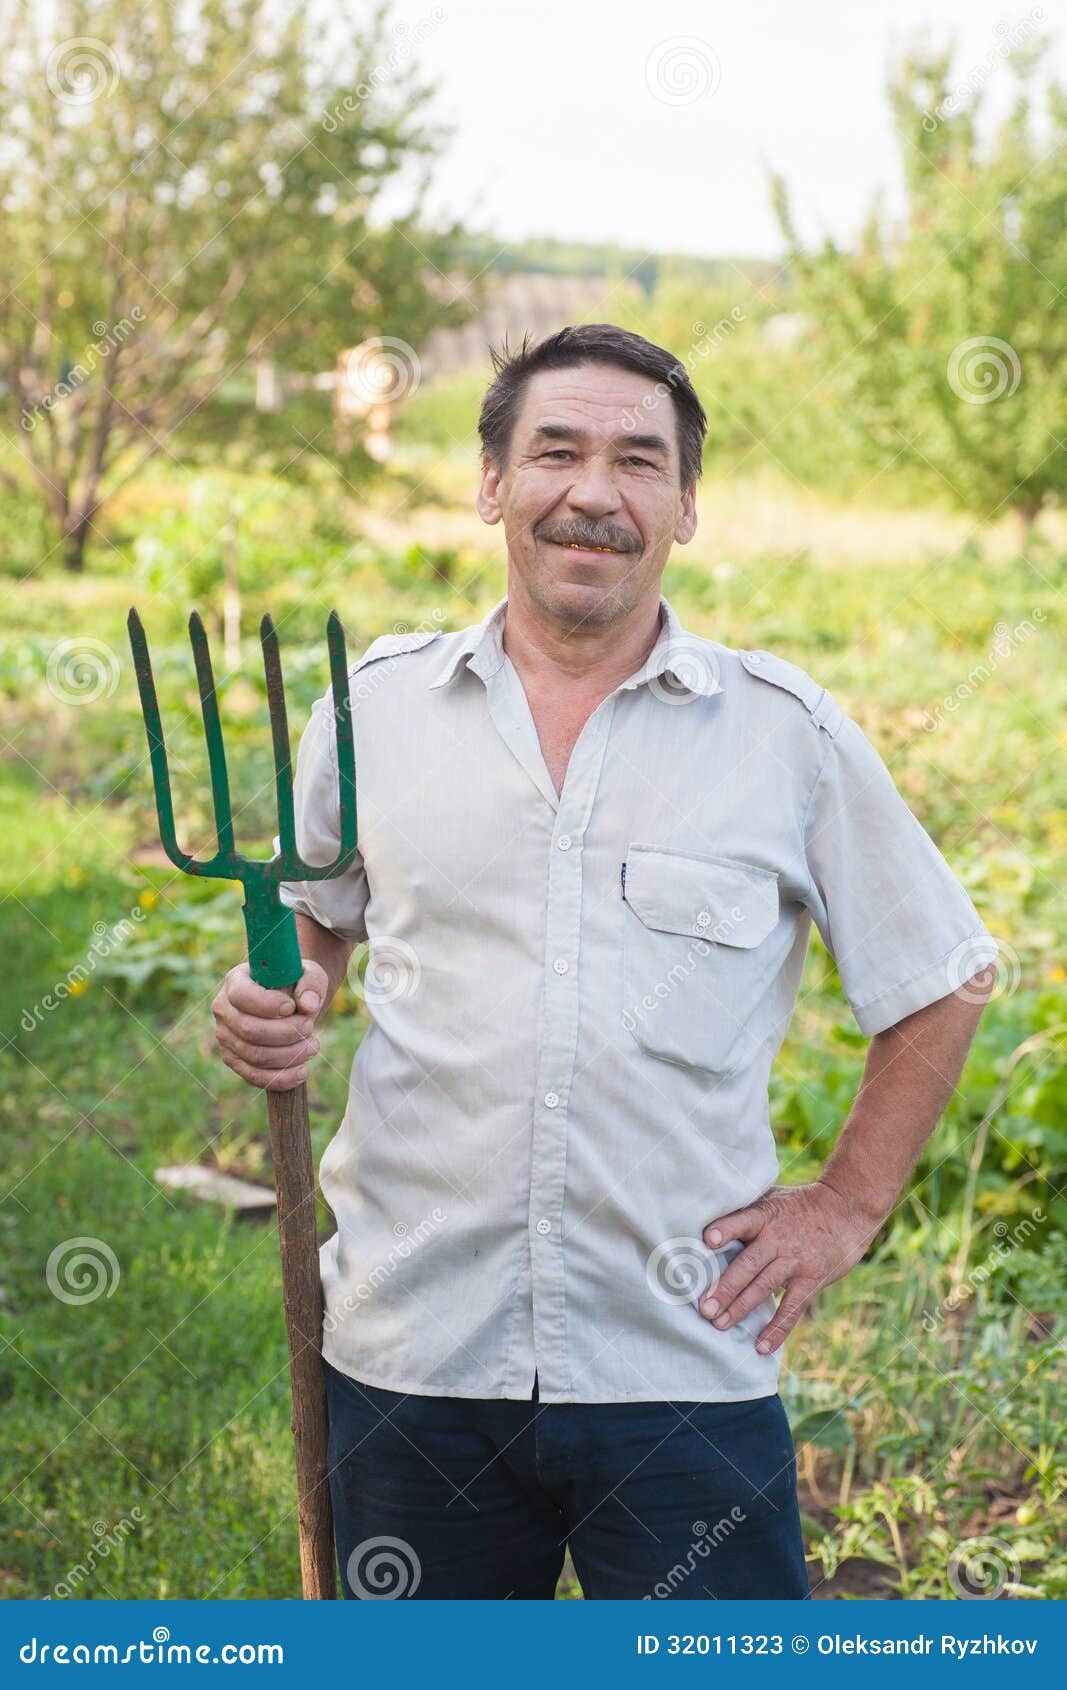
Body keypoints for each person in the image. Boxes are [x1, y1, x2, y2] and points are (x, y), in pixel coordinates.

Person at [211, 324, 998, 1600]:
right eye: (554, 451)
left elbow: (942, 975)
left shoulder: (780, 736)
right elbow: (314, 928)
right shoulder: (374, 713)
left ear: (684, 506)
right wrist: (275, 1000)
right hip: (413, 1352)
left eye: (638, 461)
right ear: (490, 484)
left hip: (680, 1362)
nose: (593, 491)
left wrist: (845, 1205)